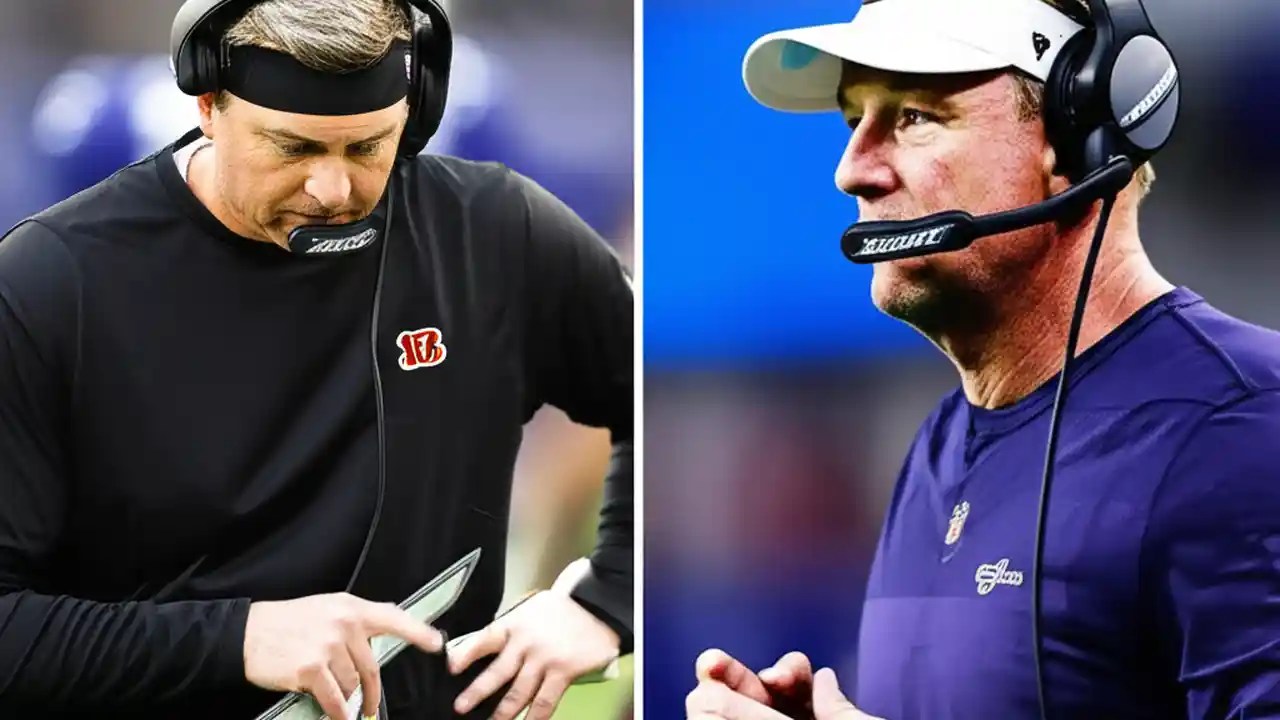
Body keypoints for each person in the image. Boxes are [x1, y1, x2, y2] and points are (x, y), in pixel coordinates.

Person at [0, 0, 633, 718]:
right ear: (207, 105)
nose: (334, 191)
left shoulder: (492, 234)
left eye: (367, 148)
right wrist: (236, 638)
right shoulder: (48, 283)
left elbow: (656, 387)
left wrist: (608, 598)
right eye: (293, 148)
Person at [686, 0, 1280, 718]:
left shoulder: (1241, 426)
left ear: (1071, 137)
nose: (851, 171)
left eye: (914, 117)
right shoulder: (942, 444)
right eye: (852, 121)